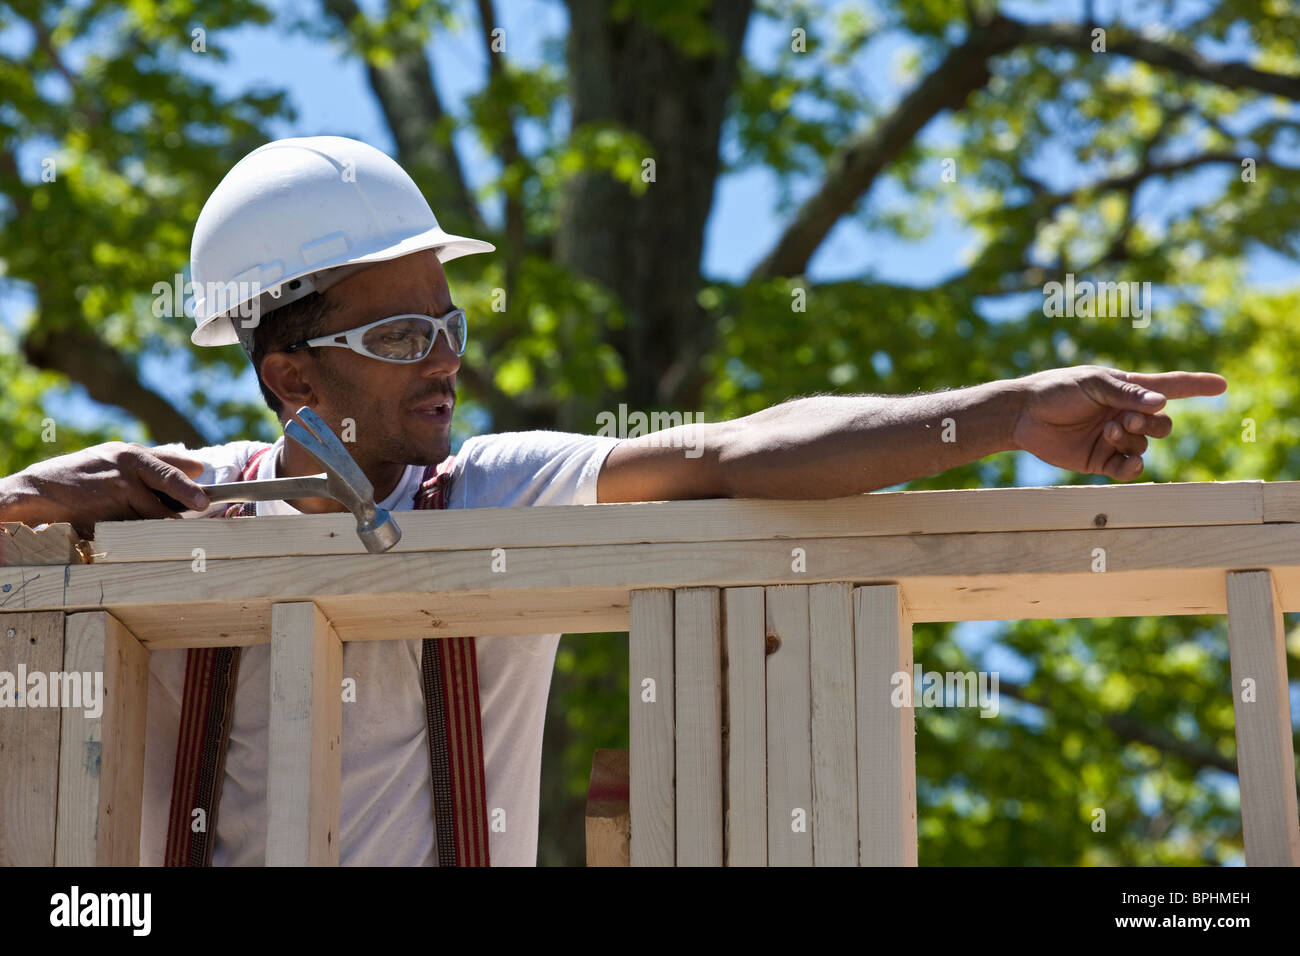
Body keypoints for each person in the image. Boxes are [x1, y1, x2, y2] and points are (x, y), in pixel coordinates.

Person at [0, 136, 1226, 865]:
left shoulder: (488, 494)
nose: (446, 357)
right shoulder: (164, 512)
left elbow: (734, 451)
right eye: (404, 329)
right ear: (288, 374)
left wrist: (1003, 412)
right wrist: (13, 507)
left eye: (451, 319)